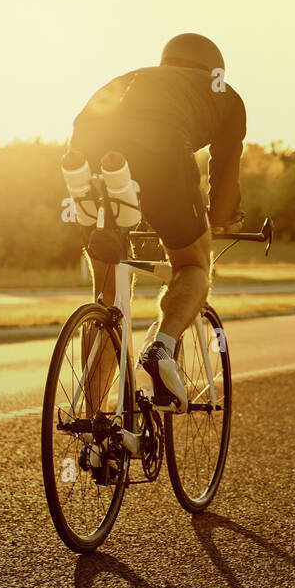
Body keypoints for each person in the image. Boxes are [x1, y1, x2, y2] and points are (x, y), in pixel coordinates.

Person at [65, 33, 246, 412]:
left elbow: (91, 120)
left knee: (107, 298)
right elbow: (225, 175)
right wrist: (220, 220)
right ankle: (161, 348)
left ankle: (96, 427)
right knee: (194, 265)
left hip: (87, 146)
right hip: (161, 149)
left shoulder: (136, 76)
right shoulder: (223, 94)